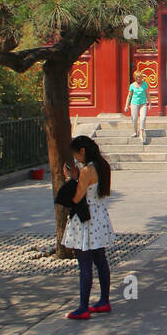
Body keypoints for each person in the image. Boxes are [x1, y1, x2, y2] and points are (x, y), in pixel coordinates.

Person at [61, 136, 115, 319]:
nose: (76, 158)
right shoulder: (103, 166)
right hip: (100, 217)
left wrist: (70, 179)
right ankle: (104, 300)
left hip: (85, 220)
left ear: (82, 150)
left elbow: (77, 197)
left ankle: (83, 306)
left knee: (84, 263)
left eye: (76, 153)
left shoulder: (87, 170)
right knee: (101, 261)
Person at [124, 71, 149, 143]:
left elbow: (147, 94)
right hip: (134, 104)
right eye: (138, 77)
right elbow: (129, 96)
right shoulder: (132, 85)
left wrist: (149, 103)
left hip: (143, 103)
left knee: (143, 118)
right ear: (135, 77)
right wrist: (126, 105)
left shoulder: (145, 84)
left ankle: (141, 134)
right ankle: (135, 132)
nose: (139, 78)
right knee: (134, 119)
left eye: (140, 77)